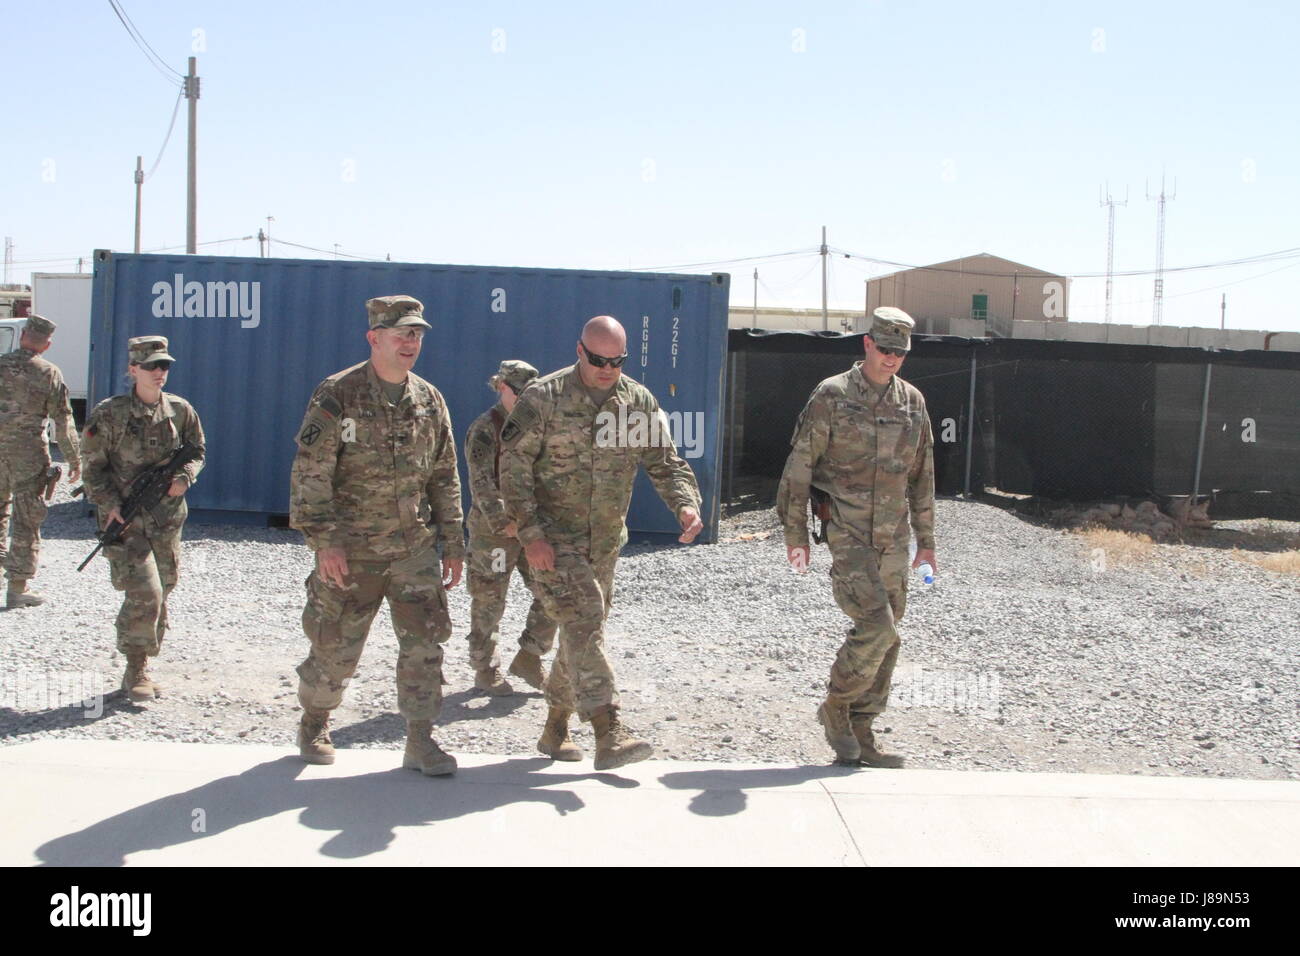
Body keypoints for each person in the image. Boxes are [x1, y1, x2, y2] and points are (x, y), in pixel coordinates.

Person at [499, 315, 704, 769]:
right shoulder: (543, 397)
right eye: (598, 360)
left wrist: (685, 506)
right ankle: (608, 728)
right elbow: (512, 469)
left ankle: (555, 728)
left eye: (617, 361)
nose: (608, 369)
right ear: (579, 351)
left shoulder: (637, 402)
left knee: (581, 632)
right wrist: (530, 535)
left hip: (605, 543)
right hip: (552, 540)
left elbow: (665, 463)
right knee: (584, 618)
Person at [290, 294, 464, 777]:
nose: (411, 342)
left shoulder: (430, 401)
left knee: (425, 648)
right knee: (335, 649)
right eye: (402, 333)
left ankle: (421, 739)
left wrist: (453, 542)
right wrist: (324, 540)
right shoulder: (337, 394)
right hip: (352, 552)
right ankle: (315, 720)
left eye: (417, 334)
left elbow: (444, 475)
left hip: (414, 550)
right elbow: (311, 471)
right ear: (374, 338)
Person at [776, 307, 936, 768]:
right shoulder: (832, 396)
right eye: (885, 350)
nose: (892, 359)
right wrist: (795, 534)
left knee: (890, 637)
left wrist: (927, 541)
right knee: (876, 626)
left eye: (900, 353)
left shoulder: (912, 403)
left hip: (893, 536)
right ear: (867, 344)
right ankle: (837, 707)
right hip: (847, 532)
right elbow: (799, 467)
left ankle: (863, 728)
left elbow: (923, 475)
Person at [81, 336, 205, 701]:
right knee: (145, 593)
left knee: (163, 590)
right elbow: (93, 467)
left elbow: (197, 450)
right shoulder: (111, 413)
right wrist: (108, 503)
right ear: (133, 369)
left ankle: (146, 661)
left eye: (164, 365)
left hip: (167, 520)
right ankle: (135, 668)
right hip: (127, 520)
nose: (159, 372)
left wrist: (186, 478)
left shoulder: (180, 411)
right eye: (151, 366)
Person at [463, 359, 558, 695]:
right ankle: (485, 668)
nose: (525, 401)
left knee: (553, 591)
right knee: (489, 599)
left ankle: (530, 656)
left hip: (531, 530)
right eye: (520, 393)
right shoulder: (485, 429)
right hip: (497, 534)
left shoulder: (536, 425)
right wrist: (503, 521)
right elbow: (481, 482)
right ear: (502, 387)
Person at [0, 314, 82, 607]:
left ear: (22, 337)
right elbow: (63, 420)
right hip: (29, 455)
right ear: (47, 345)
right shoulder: (49, 373)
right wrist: (74, 460)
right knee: (26, 520)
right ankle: (17, 588)